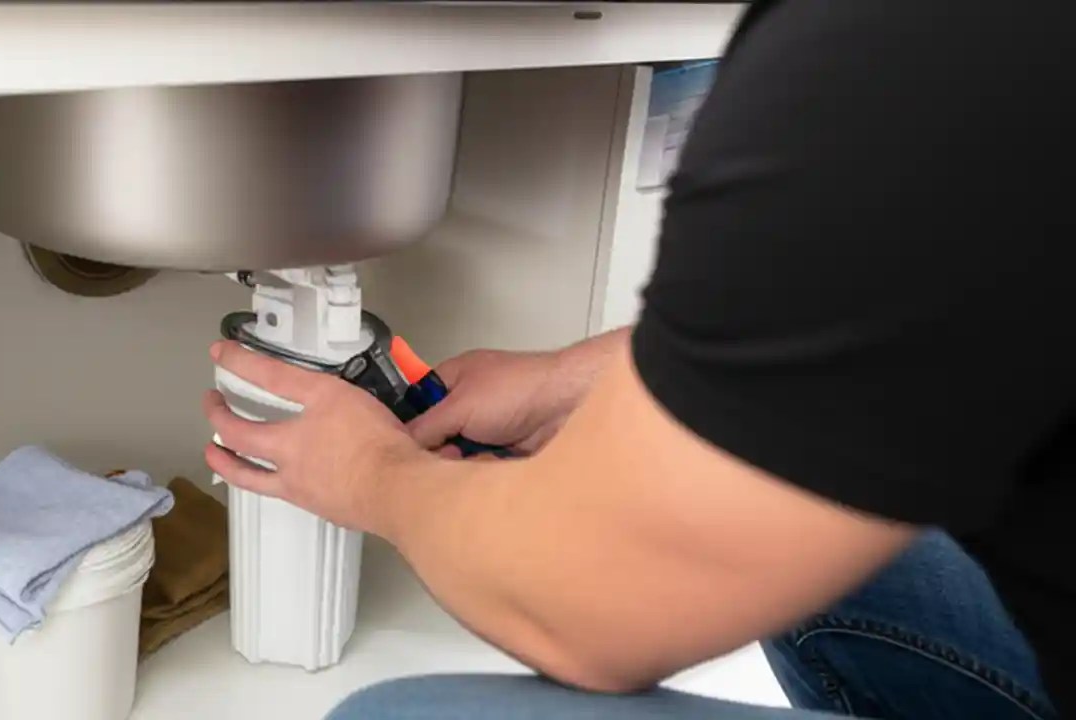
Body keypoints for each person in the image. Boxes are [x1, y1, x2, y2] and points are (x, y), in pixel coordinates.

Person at [202, 0, 1071, 718]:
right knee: (829, 525)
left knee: (391, 717)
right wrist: (596, 378)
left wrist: (374, 477)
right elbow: (935, 313)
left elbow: (583, 619)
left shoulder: (902, 57)